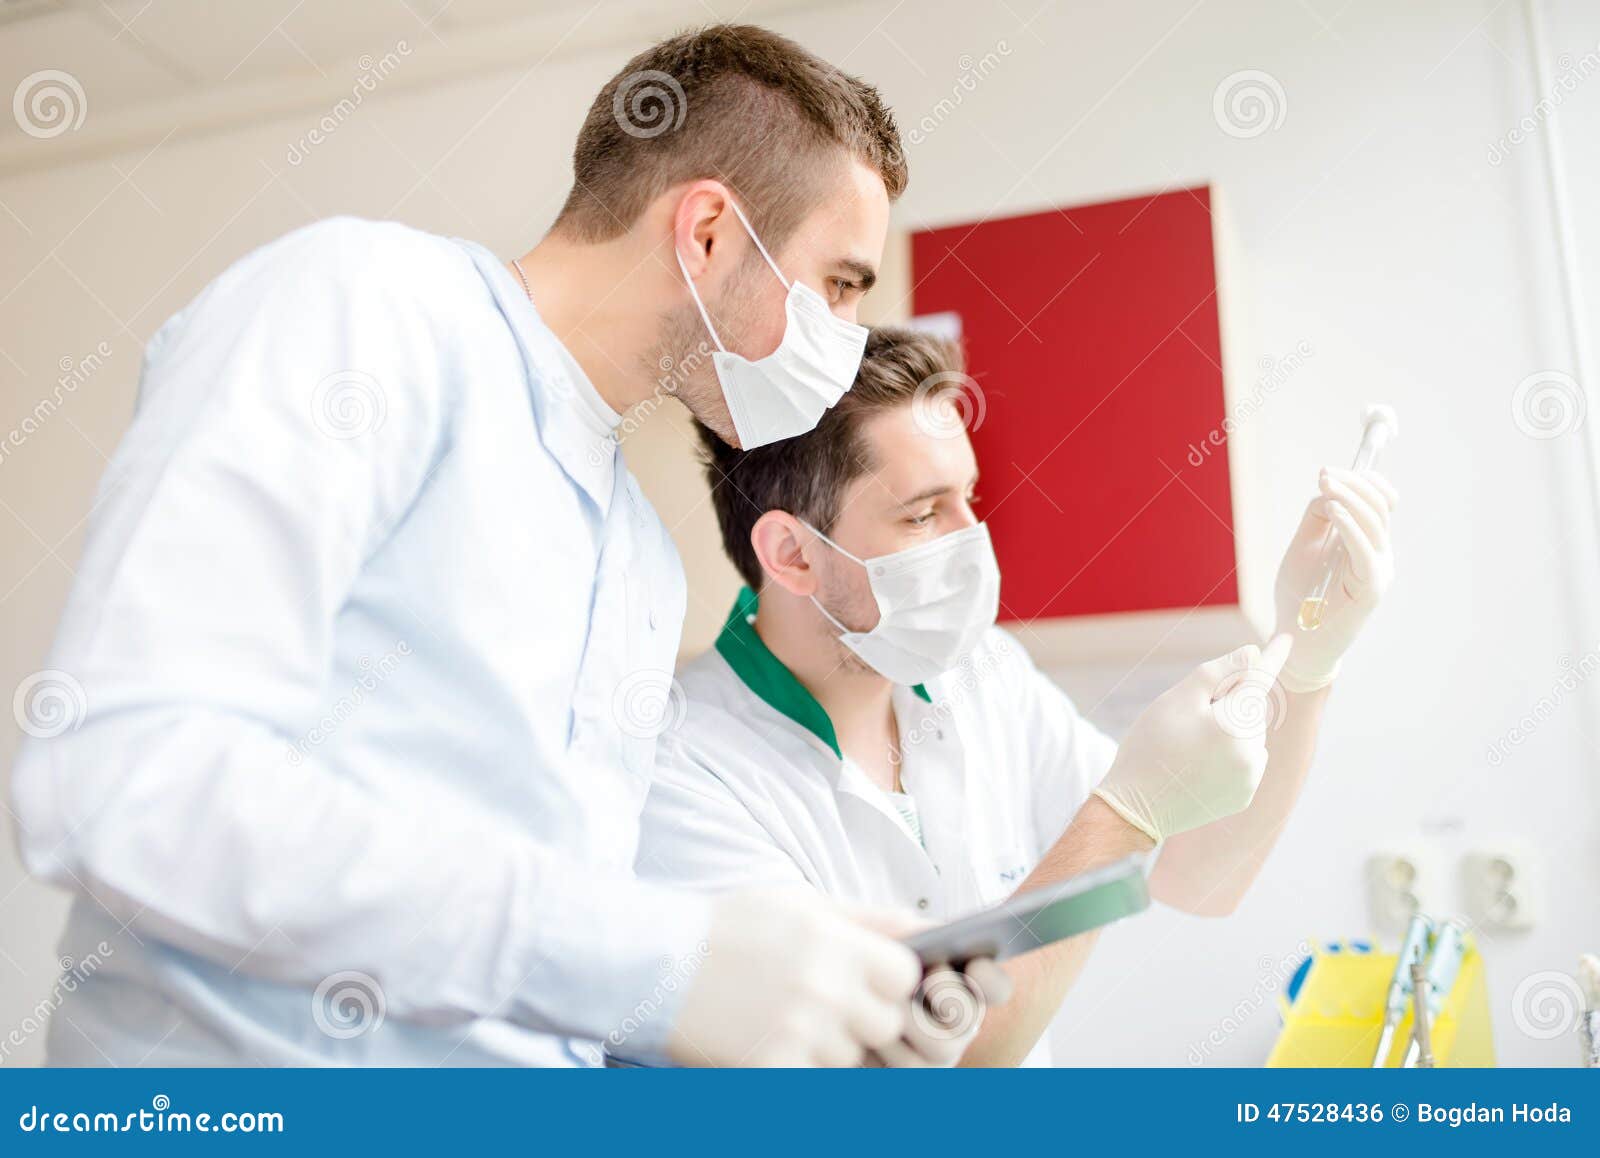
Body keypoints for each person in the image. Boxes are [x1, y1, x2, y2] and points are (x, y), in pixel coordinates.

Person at [8, 25, 987, 1068]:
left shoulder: (639, 559)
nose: (846, 339)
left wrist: (802, 991)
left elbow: (542, 965)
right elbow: (124, 777)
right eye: (839, 285)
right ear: (706, 232)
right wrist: (662, 962)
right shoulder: (368, 312)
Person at [635, 326, 1399, 1065]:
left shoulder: (982, 674)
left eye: (970, 497)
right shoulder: (679, 771)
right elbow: (924, 1072)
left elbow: (1202, 878)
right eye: (925, 512)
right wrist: (1124, 814)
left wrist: (1306, 663)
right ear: (793, 554)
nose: (974, 539)